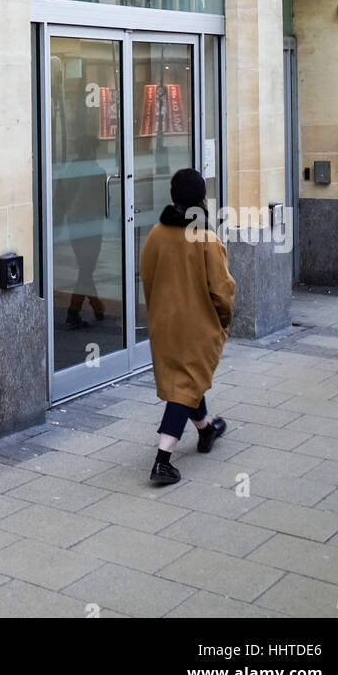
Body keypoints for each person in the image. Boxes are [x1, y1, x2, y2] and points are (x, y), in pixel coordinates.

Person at [140, 168, 236, 485]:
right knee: (185, 386)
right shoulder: (206, 239)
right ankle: (162, 461)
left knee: (188, 378)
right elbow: (222, 292)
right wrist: (222, 322)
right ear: (200, 200)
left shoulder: (155, 235)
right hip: (196, 328)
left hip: (164, 324)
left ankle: (206, 430)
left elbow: (148, 277)